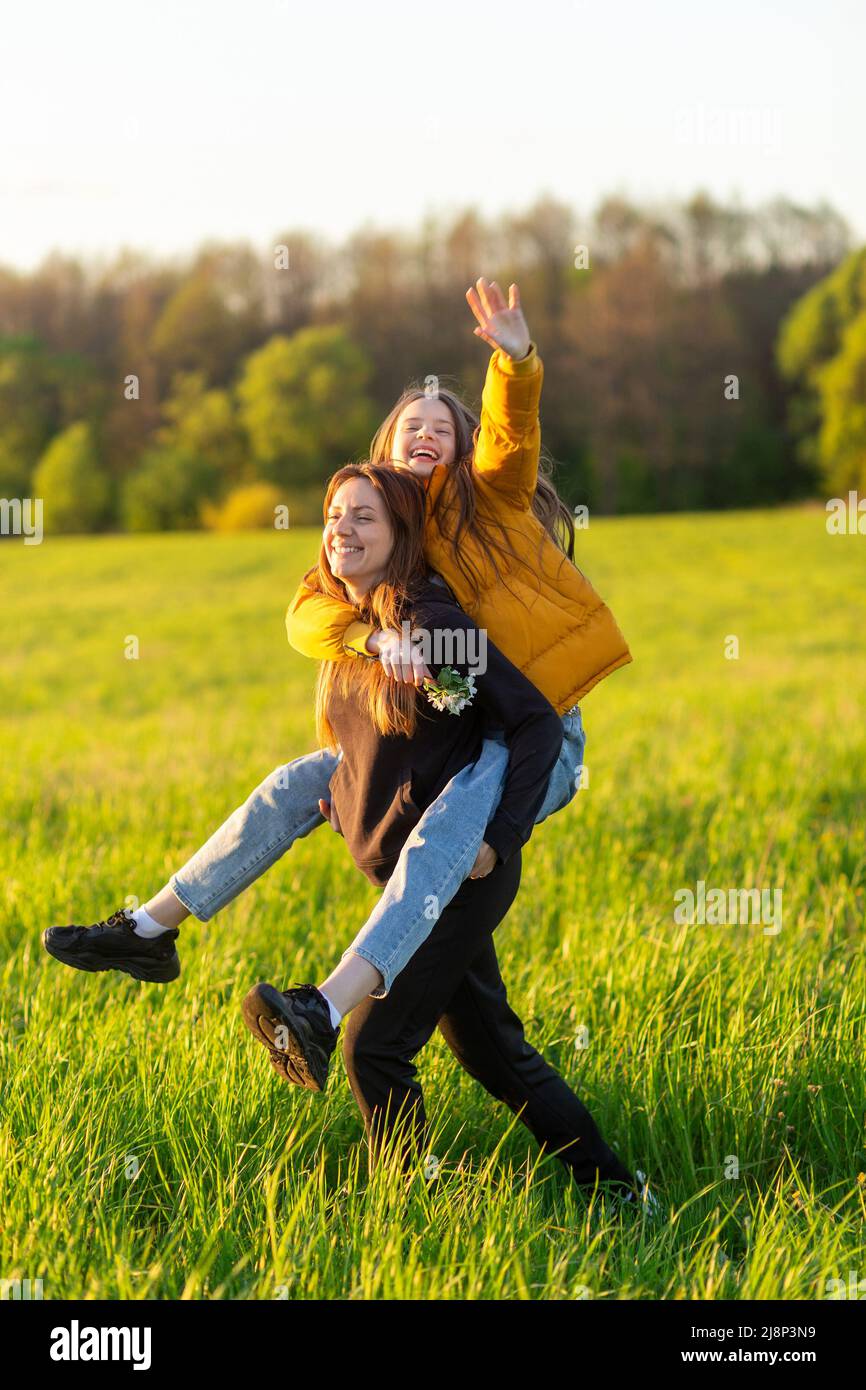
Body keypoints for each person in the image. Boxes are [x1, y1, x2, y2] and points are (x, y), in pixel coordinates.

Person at [41, 278, 630, 1037]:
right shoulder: (380, 539)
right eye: (410, 425)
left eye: (443, 428)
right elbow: (305, 612)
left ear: (465, 447)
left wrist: (516, 362)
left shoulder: (490, 505)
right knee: (298, 784)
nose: (425, 433)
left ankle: (326, 1007)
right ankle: (150, 930)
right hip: (447, 737)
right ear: (385, 450)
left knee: (447, 847)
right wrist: (372, 637)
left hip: (531, 737)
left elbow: (512, 440)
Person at [240, 462, 651, 1209]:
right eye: (333, 515)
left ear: (403, 531)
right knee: (496, 1054)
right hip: (411, 880)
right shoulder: (353, 629)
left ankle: (406, 1213)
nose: (342, 529)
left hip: (461, 871)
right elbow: (375, 742)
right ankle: (621, 1194)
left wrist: (499, 833)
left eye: (363, 517)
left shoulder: (435, 620)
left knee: (375, 1049)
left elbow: (531, 719)